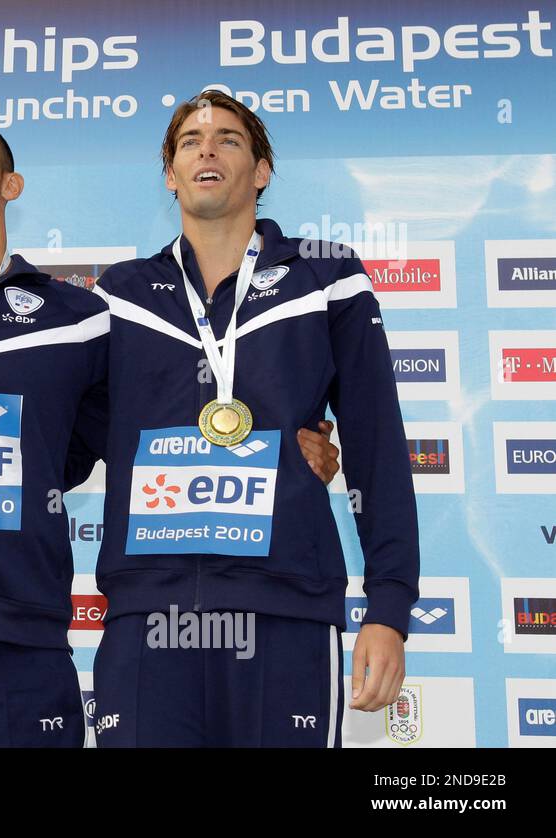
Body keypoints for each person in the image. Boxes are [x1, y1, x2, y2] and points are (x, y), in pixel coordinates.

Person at [0, 113, 341, 747]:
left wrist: (292, 441)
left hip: (23, 634)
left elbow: (138, 416)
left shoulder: (78, 318)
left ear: (13, 184)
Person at [88, 90, 419, 747]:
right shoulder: (117, 296)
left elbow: (378, 445)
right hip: (148, 612)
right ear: (170, 174)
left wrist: (389, 608)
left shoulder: (326, 278)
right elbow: (62, 434)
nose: (206, 149)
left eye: (228, 139)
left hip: (284, 605)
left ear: (261, 170)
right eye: (189, 141)